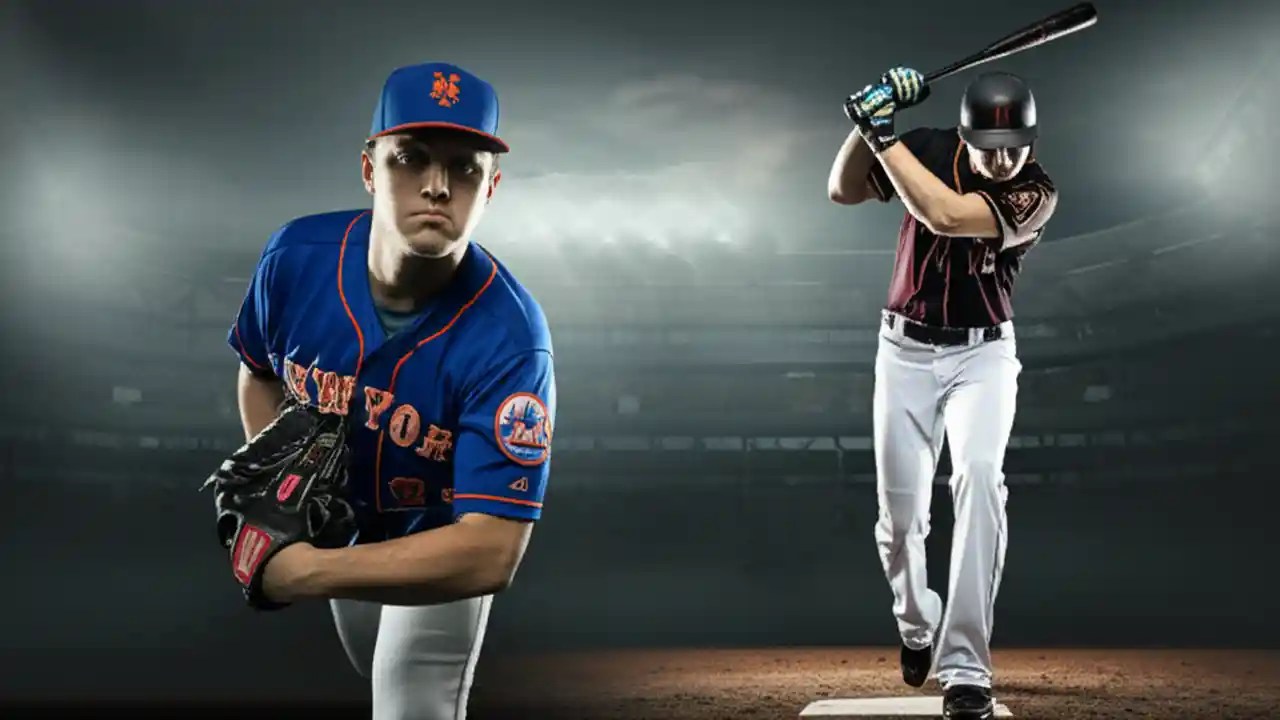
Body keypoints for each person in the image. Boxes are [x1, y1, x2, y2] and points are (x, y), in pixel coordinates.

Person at [226, 61, 555, 720]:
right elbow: (258, 371)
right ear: (370, 170)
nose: (437, 185)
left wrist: (303, 569)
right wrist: (284, 494)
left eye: (465, 168)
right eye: (410, 158)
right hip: (340, 527)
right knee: (371, 666)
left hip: (438, 546)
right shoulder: (294, 259)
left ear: (491, 188)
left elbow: (491, 552)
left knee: (410, 702)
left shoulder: (512, 337)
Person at [827, 68, 1058, 720]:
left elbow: (947, 215)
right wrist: (864, 122)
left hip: (983, 355)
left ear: (1031, 143)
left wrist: (881, 133)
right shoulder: (928, 146)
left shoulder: (1036, 193)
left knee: (980, 481)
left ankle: (966, 671)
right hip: (902, 351)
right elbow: (842, 188)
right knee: (899, 521)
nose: (1003, 160)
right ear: (965, 136)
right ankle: (915, 623)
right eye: (990, 148)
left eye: (1015, 147)